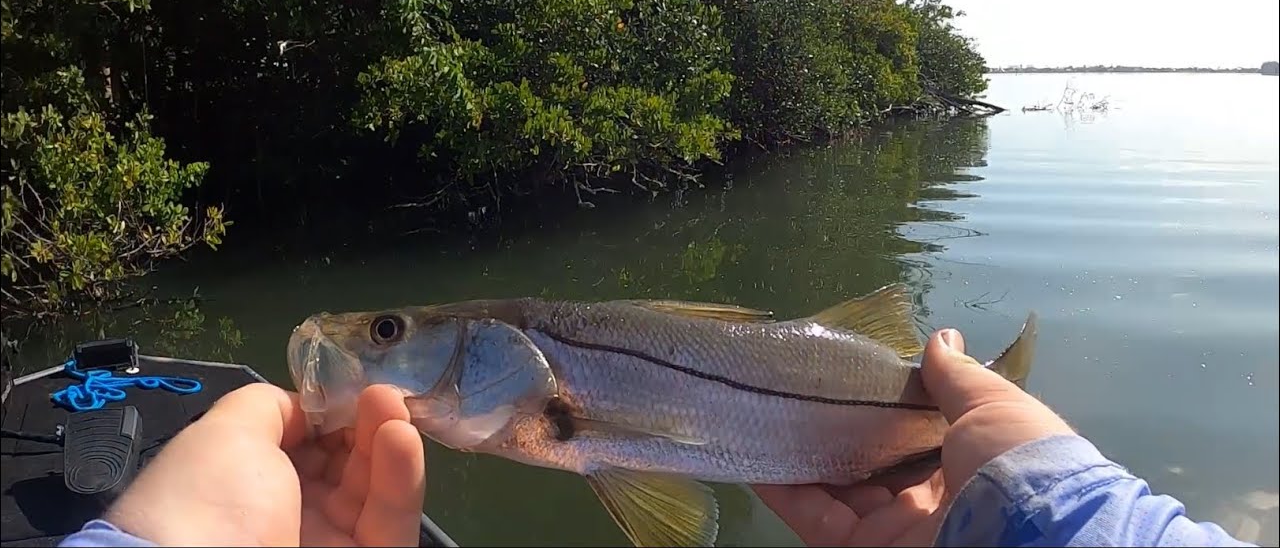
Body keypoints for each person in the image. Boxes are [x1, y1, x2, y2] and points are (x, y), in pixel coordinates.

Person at [58, 328, 1255, 548]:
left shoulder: (542, 397)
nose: (371, 347)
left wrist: (1021, 492)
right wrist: (1040, 521)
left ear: (502, 356)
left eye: (391, 331)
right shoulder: (534, 413)